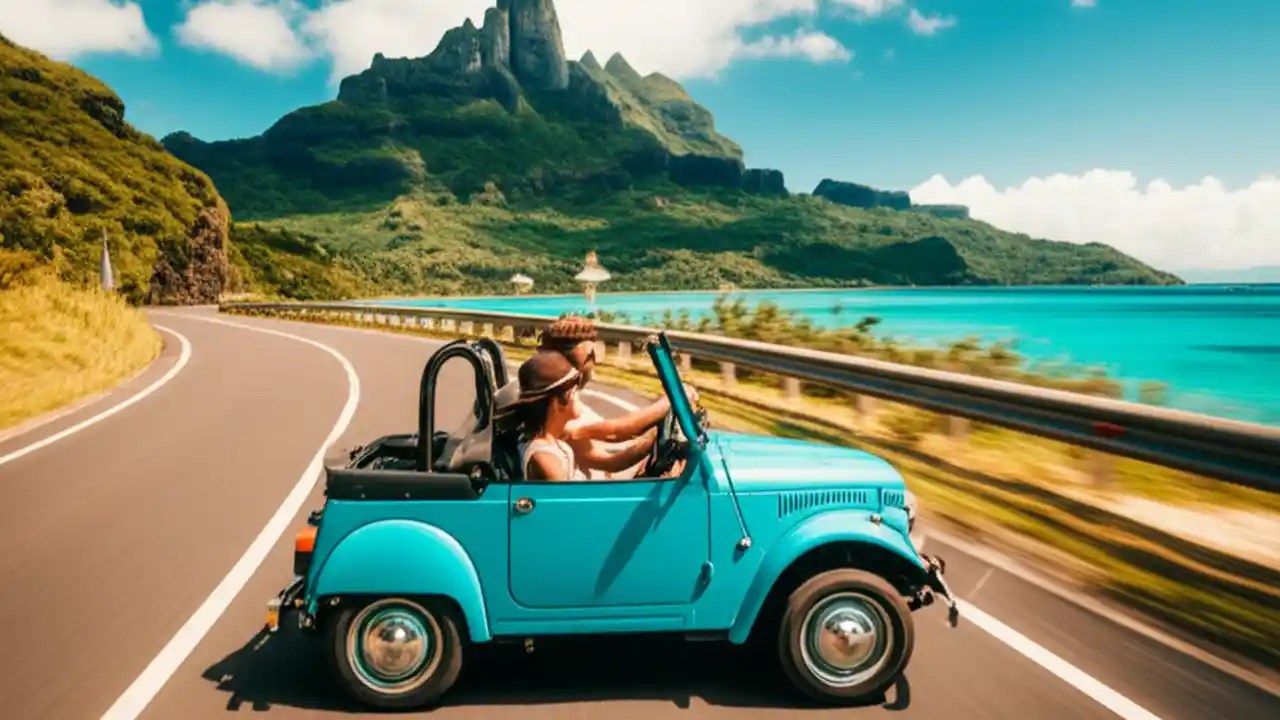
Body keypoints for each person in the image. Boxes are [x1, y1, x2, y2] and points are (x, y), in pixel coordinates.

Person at [500, 314, 698, 479]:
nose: (594, 361)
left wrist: (650, 445)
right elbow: (614, 433)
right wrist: (671, 401)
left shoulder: (561, 416)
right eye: (589, 356)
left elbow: (608, 459)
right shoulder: (551, 417)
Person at [513, 351, 657, 481]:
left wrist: (650, 441)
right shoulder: (546, 460)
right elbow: (565, 506)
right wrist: (651, 440)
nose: (578, 395)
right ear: (557, 403)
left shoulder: (558, 443)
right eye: (574, 391)